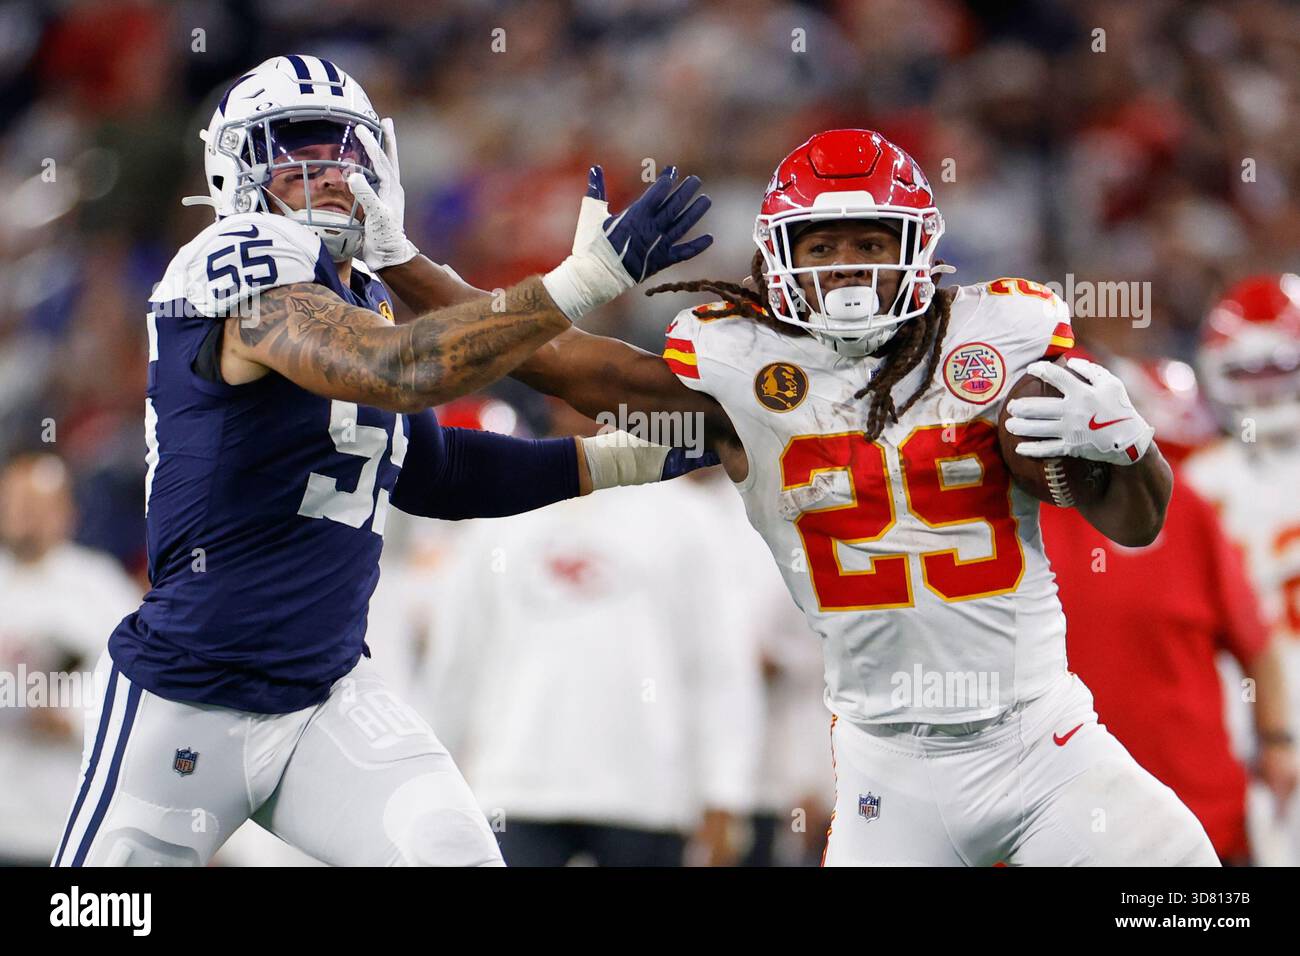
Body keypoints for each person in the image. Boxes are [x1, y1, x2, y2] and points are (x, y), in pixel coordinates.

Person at [405, 128, 1218, 864]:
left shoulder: (1001, 336)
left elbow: (1137, 523)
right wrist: (402, 261)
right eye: (822, 245)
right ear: (778, 258)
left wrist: (1130, 443)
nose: (848, 267)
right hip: (886, 773)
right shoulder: (737, 364)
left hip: (1042, 740)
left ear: (919, 249)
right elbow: (552, 362)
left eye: (871, 240)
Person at [54, 54, 714, 867]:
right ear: (237, 168)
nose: (328, 166)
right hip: (187, 695)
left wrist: (627, 459)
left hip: (324, 697)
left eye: (341, 144)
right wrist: (582, 279)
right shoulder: (234, 260)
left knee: (457, 857)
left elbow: (437, 472)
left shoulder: (359, 289)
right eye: (294, 144)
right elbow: (397, 370)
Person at [419, 403, 763, 866]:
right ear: (550, 398)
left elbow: (720, 664)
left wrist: (725, 794)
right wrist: (432, 784)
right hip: (514, 787)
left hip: (646, 794)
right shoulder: (499, 510)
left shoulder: (685, 516)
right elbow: (456, 660)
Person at [1040, 355, 1296, 865]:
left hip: (1198, 811)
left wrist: (1277, 741)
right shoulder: (1000, 517)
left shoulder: (1183, 505)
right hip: (1055, 817)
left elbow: (1256, 642)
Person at [1184, 274, 1300, 862]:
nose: (1263, 389)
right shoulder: (1196, 483)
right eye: (1247, 372)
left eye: (1278, 368)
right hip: (1240, 723)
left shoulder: (1197, 480)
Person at [0, 453, 139, 864]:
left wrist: (71, 718)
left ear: (67, 512)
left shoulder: (100, 588)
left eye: (38, 505)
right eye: (15, 502)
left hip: (67, 818)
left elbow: (138, 690)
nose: (25, 515)